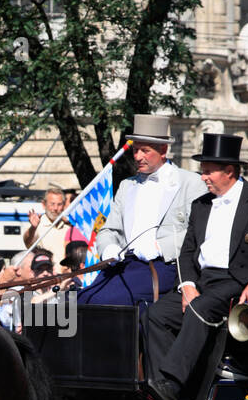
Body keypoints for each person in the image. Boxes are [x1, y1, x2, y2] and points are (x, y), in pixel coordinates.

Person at [143, 133, 248, 400]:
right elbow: (187, 251)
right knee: (156, 315)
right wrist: (186, 283)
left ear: (229, 171)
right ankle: (161, 388)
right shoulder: (200, 205)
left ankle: (173, 384)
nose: (203, 177)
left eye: (209, 171)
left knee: (201, 308)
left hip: (240, 280)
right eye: (202, 171)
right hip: (203, 281)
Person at [81, 114, 208, 308]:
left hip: (163, 266)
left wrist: (160, 247)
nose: (137, 156)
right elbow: (108, 230)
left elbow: (198, 232)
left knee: (104, 303)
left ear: (163, 150)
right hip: (123, 264)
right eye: (135, 150)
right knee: (78, 300)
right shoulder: (127, 185)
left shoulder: (191, 183)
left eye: (145, 150)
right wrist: (108, 248)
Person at [24, 186, 89, 250]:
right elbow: (28, 243)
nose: (55, 208)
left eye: (59, 204)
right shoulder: (36, 226)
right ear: (44, 205)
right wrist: (33, 228)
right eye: (52, 204)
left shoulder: (68, 226)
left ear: (63, 205)